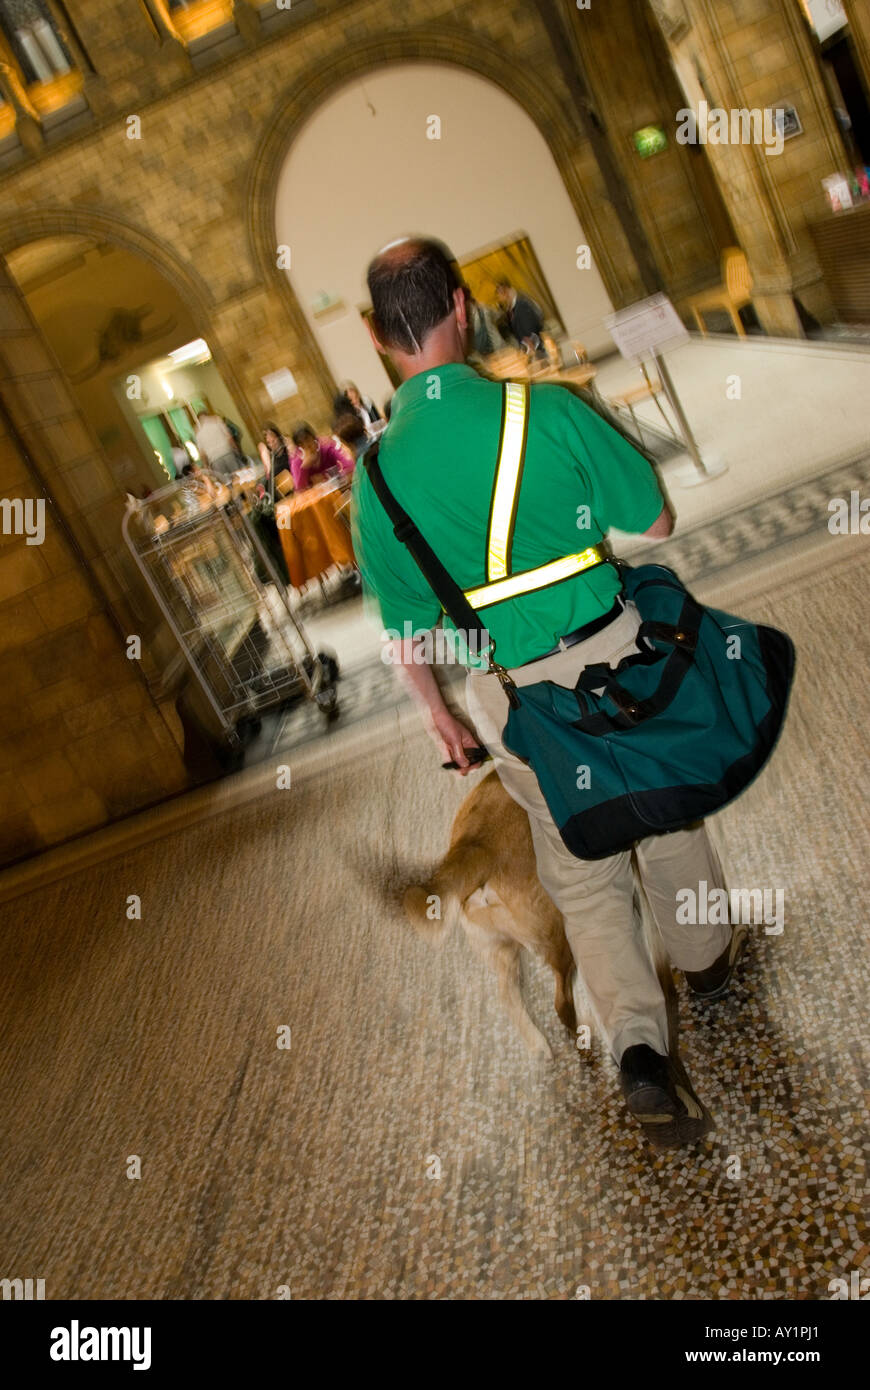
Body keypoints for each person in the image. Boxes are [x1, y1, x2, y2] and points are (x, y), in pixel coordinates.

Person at [352, 237, 744, 1153]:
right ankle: (708, 964)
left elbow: (406, 634)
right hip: (616, 655)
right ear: (460, 306)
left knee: (580, 864)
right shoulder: (545, 407)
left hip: (513, 696)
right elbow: (654, 517)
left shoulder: (372, 481)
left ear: (377, 337)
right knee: (666, 815)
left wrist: (437, 713)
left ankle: (640, 1051)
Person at [289, 422, 354, 492]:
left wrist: (343, 476)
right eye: (301, 443)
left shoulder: (326, 446)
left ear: (313, 437)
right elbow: (300, 490)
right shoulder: (297, 461)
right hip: (316, 498)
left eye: (307, 439)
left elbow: (348, 464)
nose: (307, 445)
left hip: (338, 489)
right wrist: (303, 468)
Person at [494, 278, 547, 359]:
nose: (498, 296)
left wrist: (531, 347)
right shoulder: (510, 308)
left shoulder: (522, 302)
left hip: (537, 350)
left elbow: (534, 325)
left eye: (498, 292)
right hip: (529, 351)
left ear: (505, 290)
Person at [194, 407, 241, 479]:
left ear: (198, 419)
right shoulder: (216, 420)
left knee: (226, 481)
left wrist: (206, 465)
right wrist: (236, 448)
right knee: (238, 476)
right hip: (226, 452)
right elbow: (229, 436)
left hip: (214, 459)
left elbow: (202, 452)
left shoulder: (198, 431)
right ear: (207, 415)